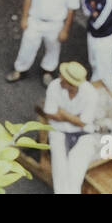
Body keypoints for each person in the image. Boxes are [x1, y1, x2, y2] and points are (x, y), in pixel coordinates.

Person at [6, 0, 80, 85]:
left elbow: (71, 10)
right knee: (27, 46)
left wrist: (65, 30)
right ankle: (20, 69)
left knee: (53, 49)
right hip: (35, 20)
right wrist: (24, 18)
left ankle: (48, 71)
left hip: (55, 24)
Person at [43, 61, 100, 194]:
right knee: (60, 170)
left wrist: (62, 112)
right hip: (59, 130)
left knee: (75, 175)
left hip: (84, 134)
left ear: (72, 85)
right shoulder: (54, 86)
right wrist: (75, 118)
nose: (60, 79)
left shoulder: (90, 93)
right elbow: (50, 113)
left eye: (64, 79)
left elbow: (83, 123)